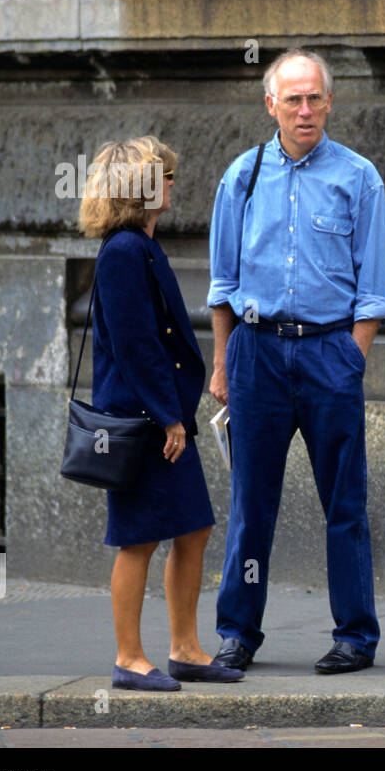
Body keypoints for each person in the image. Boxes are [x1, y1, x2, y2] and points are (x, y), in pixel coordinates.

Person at [207, 48, 385, 675]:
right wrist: (222, 364)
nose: (306, 110)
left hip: (328, 353)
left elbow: (376, 289)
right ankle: (237, 633)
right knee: (250, 505)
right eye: (293, 99)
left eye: (315, 98)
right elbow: (223, 284)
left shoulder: (359, 178)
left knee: (345, 503)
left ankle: (355, 636)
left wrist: (350, 359)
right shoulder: (242, 177)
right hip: (256, 353)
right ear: (272, 105)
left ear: (330, 102)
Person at [79, 136, 245, 691]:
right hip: (143, 422)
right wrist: (168, 417)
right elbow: (136, 346)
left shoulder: (144, 245)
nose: (174, 184)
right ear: (141, 187)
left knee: (193, 527)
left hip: (165, 416)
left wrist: (174, 414)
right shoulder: (124, 251)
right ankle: (129, 659)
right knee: (138, 538)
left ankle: (185, 650)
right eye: (165, 176)